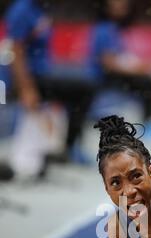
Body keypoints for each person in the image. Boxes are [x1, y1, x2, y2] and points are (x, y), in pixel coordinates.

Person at [5, 0, 95, 170]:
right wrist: (26, 89)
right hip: (30, 77)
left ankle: (64, 146)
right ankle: (68, 148)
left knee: (82, 84)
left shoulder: (43, 8)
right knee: (83, 90)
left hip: (43, 73)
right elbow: (16, 51)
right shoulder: (22, 9)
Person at [90, 0, 151, 122]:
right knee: (148, 84)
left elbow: (122, 58)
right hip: (107, 82)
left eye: (124, 6)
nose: (122, 9)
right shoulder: (104, 29)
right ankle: (149, 121)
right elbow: (109, 63)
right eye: (117, 6)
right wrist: (140, 70)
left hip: (117, 81)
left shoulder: (117, 30)